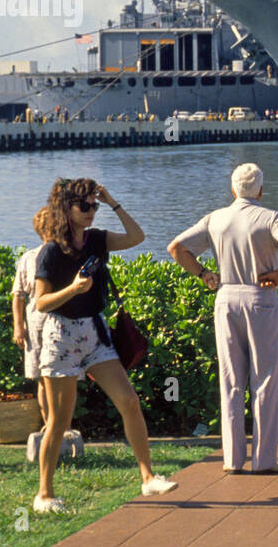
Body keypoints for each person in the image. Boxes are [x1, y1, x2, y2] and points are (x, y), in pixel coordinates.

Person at [32, 178, 177, 512]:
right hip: (61, 335)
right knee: (58, 422)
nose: (91, 211)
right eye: (84, 206)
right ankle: (44, 494)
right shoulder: (52, 250)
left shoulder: (97, 240)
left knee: (129, 400)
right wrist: (73, 289)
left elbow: (137, 237)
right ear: (65, 209)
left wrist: (113, 202)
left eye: (94, 205)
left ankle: (148, 478)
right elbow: (40, 303)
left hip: (94, 333)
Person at [168, 163, 278, 474]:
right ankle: (264, 460)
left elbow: (176, 248)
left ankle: (232, 459)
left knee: (231, 381)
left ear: (232, 190)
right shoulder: (270, 218)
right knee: (264, 380)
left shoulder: (216, 218)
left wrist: (203, 274)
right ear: (260, 190)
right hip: (260, 298)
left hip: (226, 298)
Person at [13, 212, 87, 462]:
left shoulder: (67, 255)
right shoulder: (28, 258)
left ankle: (62, 424)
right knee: (44, 378)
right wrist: (18, 327)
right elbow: (18, 295)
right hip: (37, 323)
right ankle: (51, 423)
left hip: (64, 322)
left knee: (67, 375)